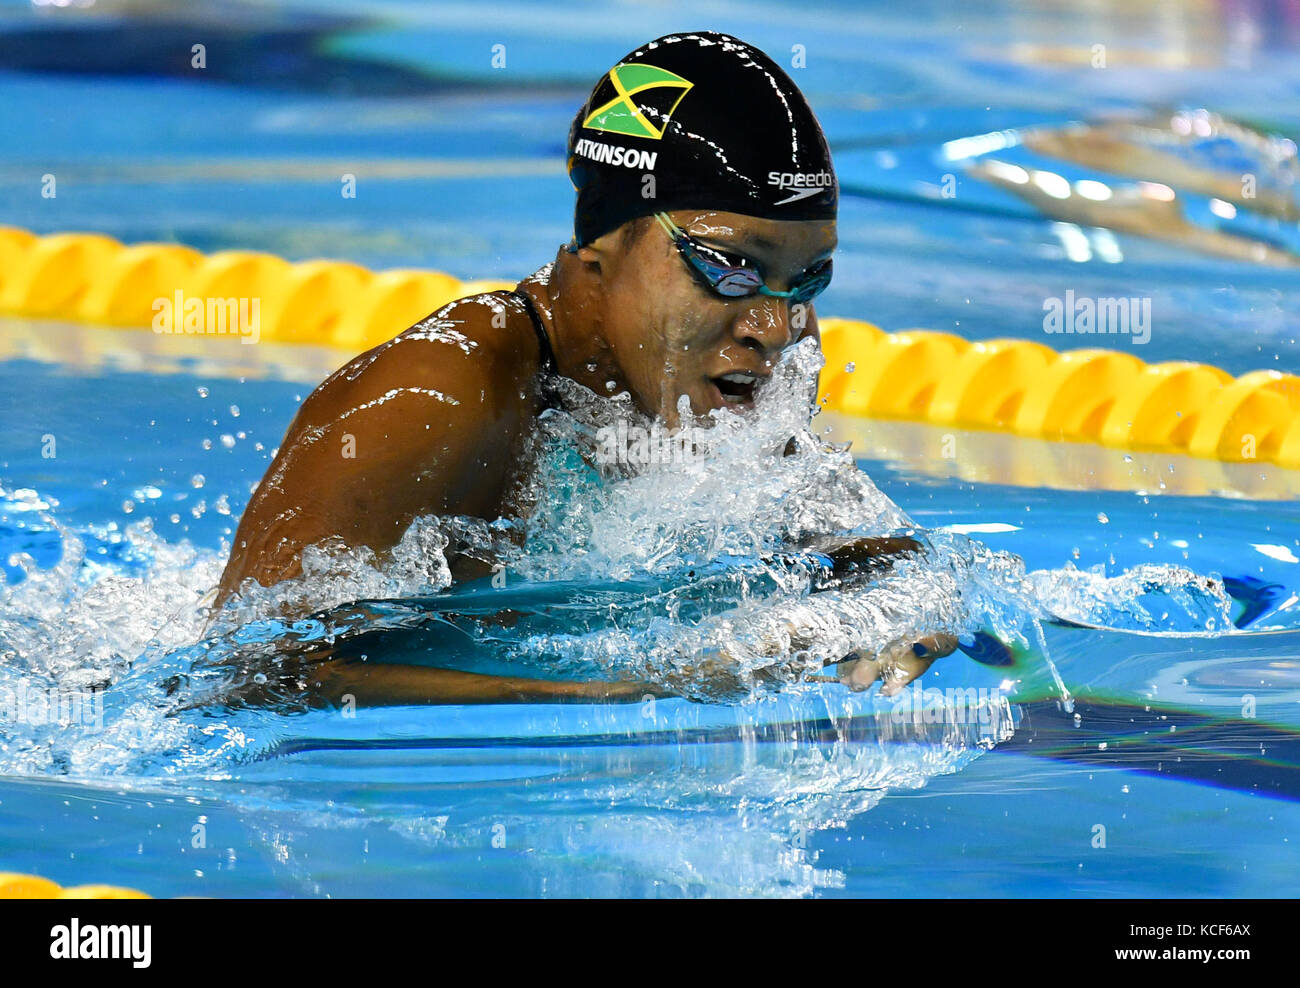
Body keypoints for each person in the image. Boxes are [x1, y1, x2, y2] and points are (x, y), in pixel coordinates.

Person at [215, 31, 956, 705]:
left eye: (806, 281)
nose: (774, 328)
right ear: (604, 243)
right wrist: (619, 695)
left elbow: (877, 552)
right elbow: (248, 675)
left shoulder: (719, 383)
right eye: (729, 268)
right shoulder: (440, 391)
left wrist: (897, 610)